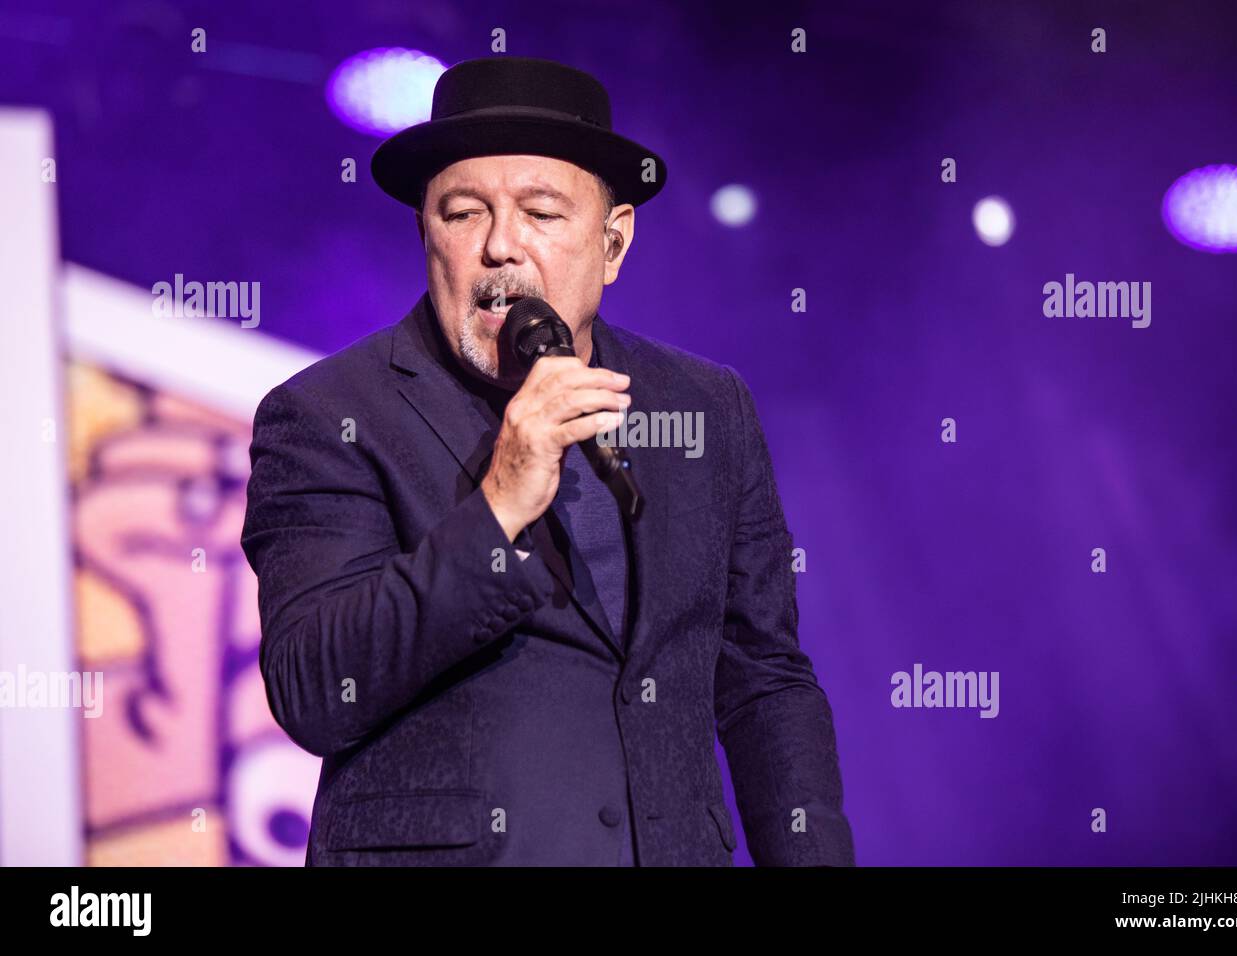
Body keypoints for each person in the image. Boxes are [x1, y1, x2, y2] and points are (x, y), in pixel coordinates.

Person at [240, 54, 854, 866]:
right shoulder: (328, 415)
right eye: (463, 214)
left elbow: (764, 680)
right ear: (426, 232)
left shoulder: (705, 406)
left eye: (542, 213)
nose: (501, 247)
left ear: (614, 242)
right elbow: (316, 692)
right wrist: (498, 505)